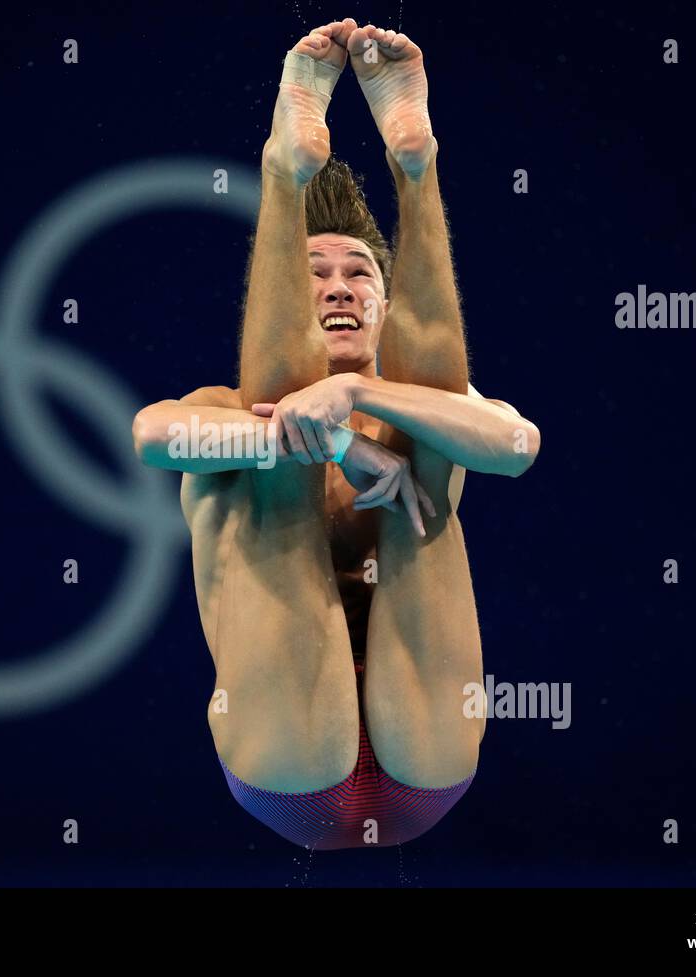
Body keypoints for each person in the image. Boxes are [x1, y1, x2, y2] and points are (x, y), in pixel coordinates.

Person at [132, 19, 541, 849]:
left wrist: (356, 393)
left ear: (387, 303)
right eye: (314, 272)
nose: (340, 287)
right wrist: (318, 435)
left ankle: (416, 166)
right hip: (289, 761)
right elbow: (155, 437)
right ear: (286, 294)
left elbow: (516, 447)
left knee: (428, 440)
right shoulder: (221, 398)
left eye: (359, 271)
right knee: (272, 440)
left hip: (425, 740)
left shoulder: (411, 396)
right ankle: (282, 174)